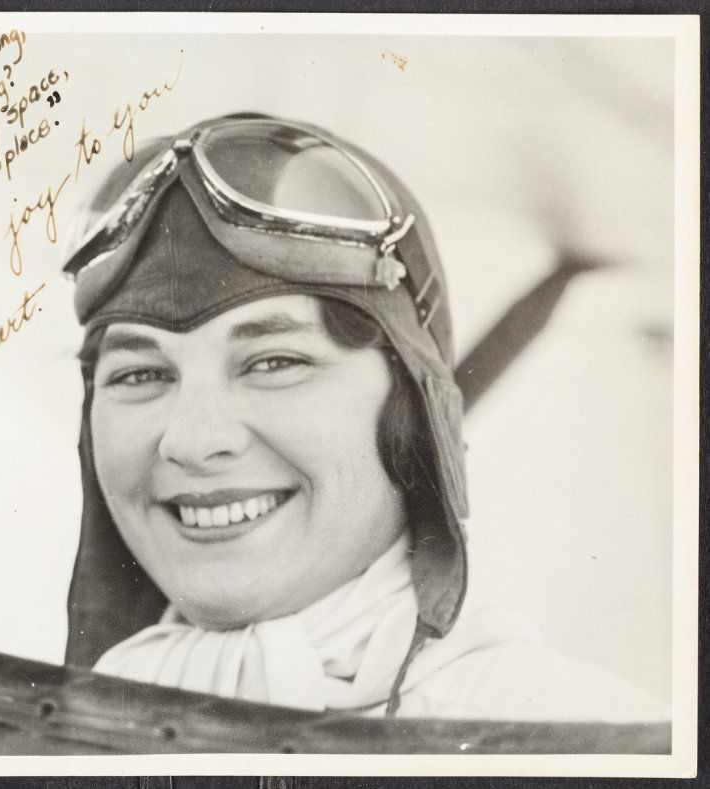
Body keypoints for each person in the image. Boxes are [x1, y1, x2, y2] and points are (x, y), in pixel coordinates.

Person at [59, 114, 666, 722]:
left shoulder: (580, 739)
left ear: (412, 417)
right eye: (140, 375)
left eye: (274, 362)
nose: (192, 441)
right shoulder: (49, 731)